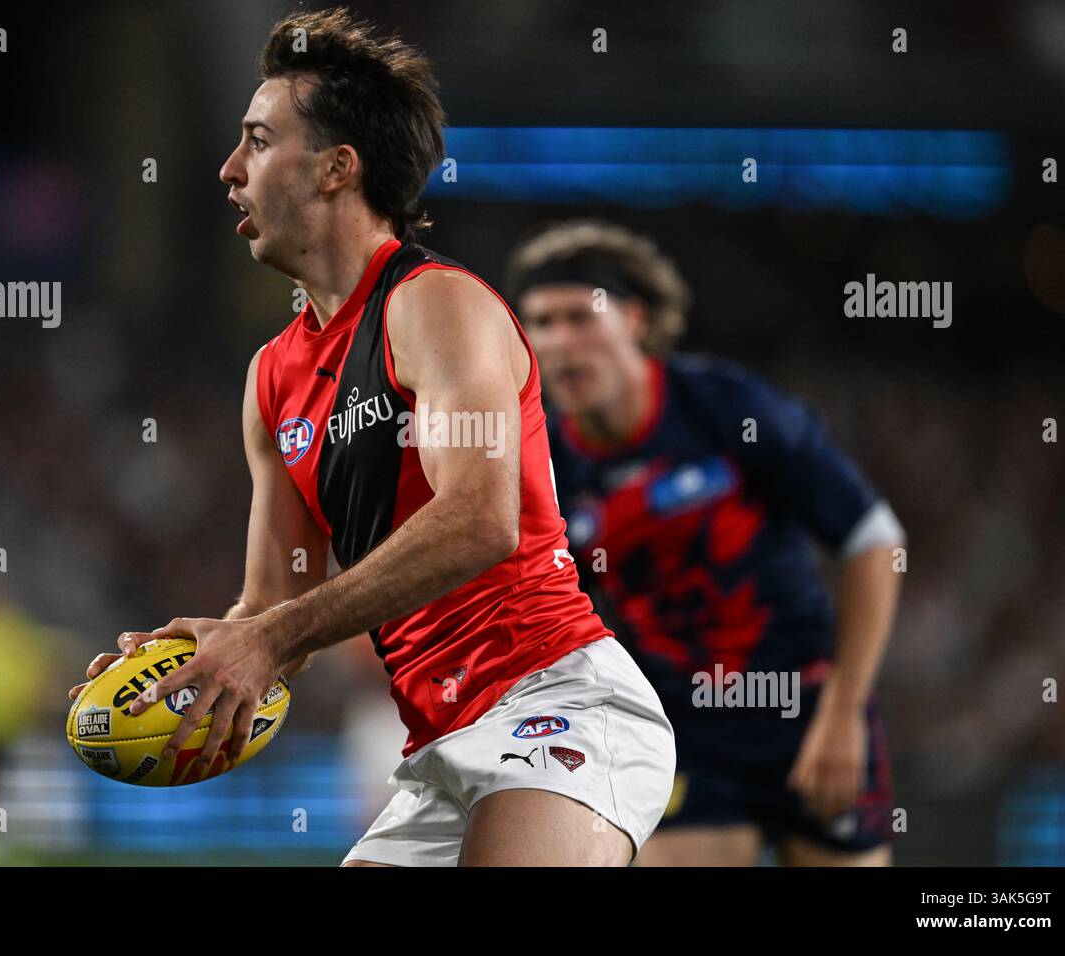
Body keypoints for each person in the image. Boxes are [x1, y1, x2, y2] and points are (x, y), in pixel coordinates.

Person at [68, 9, 673, 867]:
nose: (229, 168)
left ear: (335, 169)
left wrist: (272, 639)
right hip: (435, 748)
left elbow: (479, 521)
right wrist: (204, 659)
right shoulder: (272, 378)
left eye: (258, 141)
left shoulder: (435, 304)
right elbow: (276, 601)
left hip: (563, 701)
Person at [507, 219, 903, 866]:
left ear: (634, 320)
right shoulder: (544, 468)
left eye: (580, 317)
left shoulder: (729, 408)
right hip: (678, 730)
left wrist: (843, 712)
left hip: (806, 710)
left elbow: (873, 540)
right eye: (541, 324)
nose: (560, 342)